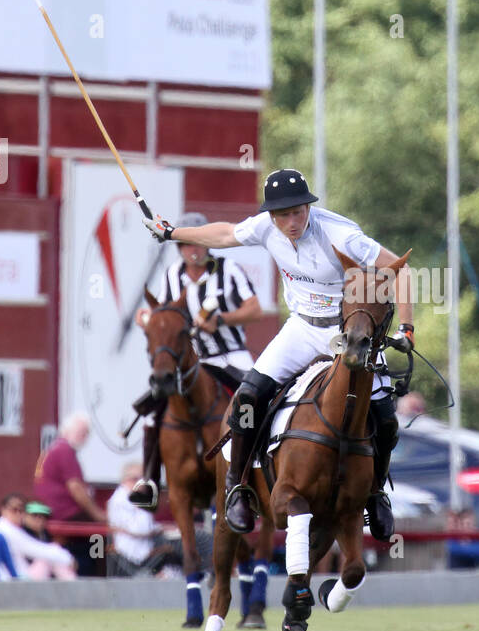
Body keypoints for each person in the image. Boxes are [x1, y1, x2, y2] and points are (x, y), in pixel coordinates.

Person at [143, 169, 415, 552]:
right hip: (302, 329)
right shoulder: (266, 228)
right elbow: (223, 234)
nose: (291, 221)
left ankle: (375, 494)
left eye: (298, 212)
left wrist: (406, 326)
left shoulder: (342, 236)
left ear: (308, 207)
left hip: (347, 331)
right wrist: (172, 233)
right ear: (271, 215)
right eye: (282, 214)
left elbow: (398, 272)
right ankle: (238, 486)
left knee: (385, 414)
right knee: (248, 397)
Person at [128, 210, 264, 509]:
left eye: (199, 243)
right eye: (188, 244)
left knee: (257, 400)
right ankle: (149, 481)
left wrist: (222, 320)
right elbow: (164, 315)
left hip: (230, 355)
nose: (194, 249)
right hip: (192, 362)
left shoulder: (229, 270)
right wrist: (147, 320)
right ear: (179, 247)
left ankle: (258, 469)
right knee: (154, 407)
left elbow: (255, 309)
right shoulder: (171, 275)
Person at [34, 412, 105, 575]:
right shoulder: (65, 451)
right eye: (82, 432)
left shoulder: (54, 449)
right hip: (64, 514)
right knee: (100, 535)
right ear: (68, 431)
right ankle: (97, 575)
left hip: (52, 512)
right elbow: (76, 489)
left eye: (86, 433)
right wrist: (98, 515)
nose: (85, 437)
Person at [107, 462, 187, 579]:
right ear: (130, 479)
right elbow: (141, 530)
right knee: (178, 548)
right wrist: (161, 529)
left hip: (141, 546)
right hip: (133, 552)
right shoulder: (122, 499)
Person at [0, 493, 77, 579]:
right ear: (3, 510)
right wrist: (68, 559)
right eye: (34, 515)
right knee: (47, 559)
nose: (39, 519)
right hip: (12, 579)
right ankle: (74, 588)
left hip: (15, 577)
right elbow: (38, 550)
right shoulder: (9, 529)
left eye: (44, 516)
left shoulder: (41, 533)